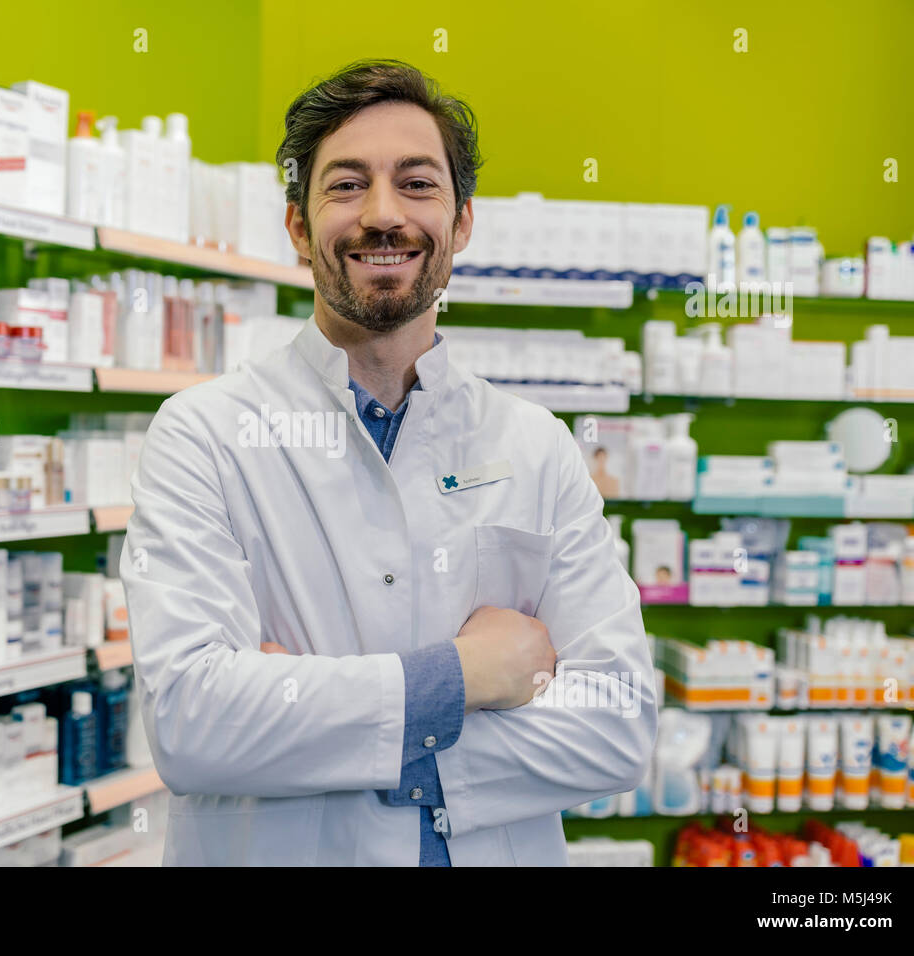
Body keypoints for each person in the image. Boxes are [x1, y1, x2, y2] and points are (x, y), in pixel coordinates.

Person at [120, 59, 656, 866]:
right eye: (344, 186)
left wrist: (319, 724)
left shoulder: (535, 446)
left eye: (416, 183)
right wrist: (466, 679)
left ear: (462, 220)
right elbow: (196, 725)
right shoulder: (204, 435)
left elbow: (616, 726)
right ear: (299, 226)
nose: (382, 215)